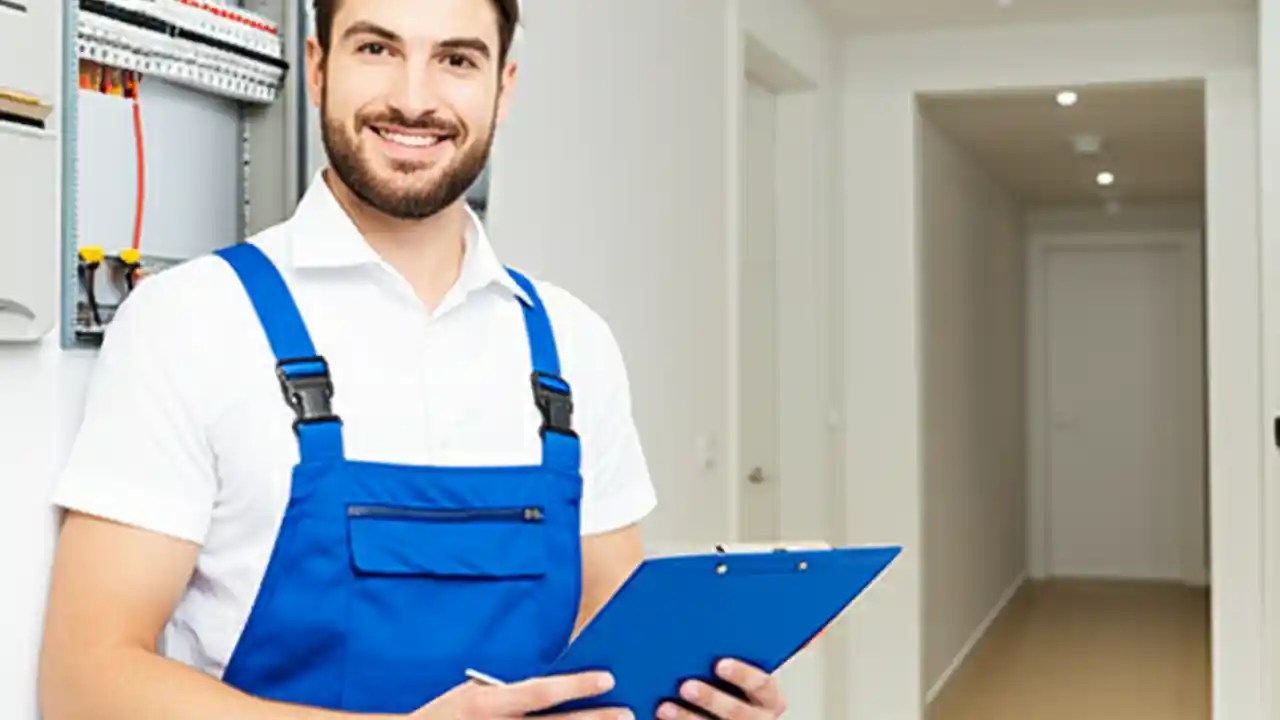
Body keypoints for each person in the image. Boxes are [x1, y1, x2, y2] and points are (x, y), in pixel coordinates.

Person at [37, 0, 790, 718]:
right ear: (318, 67)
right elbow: (86, 682)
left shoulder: (574, 345)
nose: (413, 98)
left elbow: (613, 644)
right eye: (377, 48)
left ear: (503, 88)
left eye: (456, 60)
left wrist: (692, 697)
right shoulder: (190, 322)